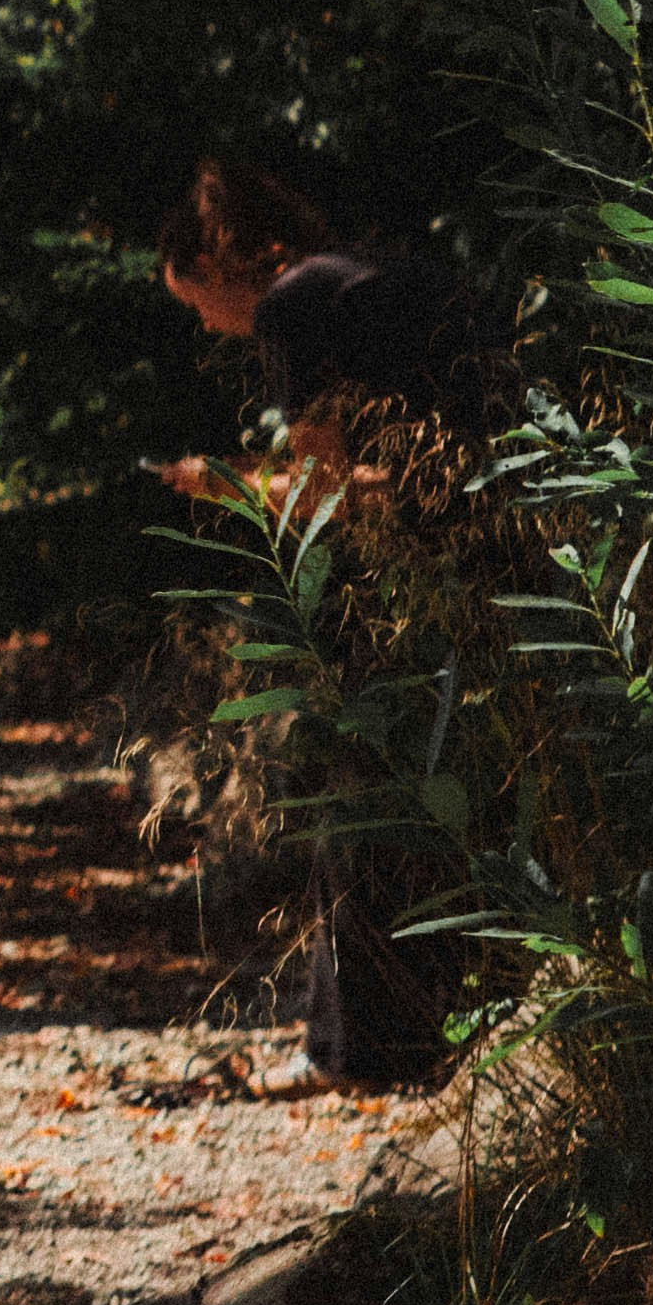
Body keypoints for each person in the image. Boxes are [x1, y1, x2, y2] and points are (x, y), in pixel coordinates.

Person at [155, 158, 499, 1090]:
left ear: (223, 266)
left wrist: (218, 487)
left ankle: (360, 1052)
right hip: (504, 534)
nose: (205, 325)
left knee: (362, 790)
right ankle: (391, 1037)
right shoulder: (359, 272)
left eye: (195, 302)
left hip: (430, 568)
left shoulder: (295, 306)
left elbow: (325, 497)